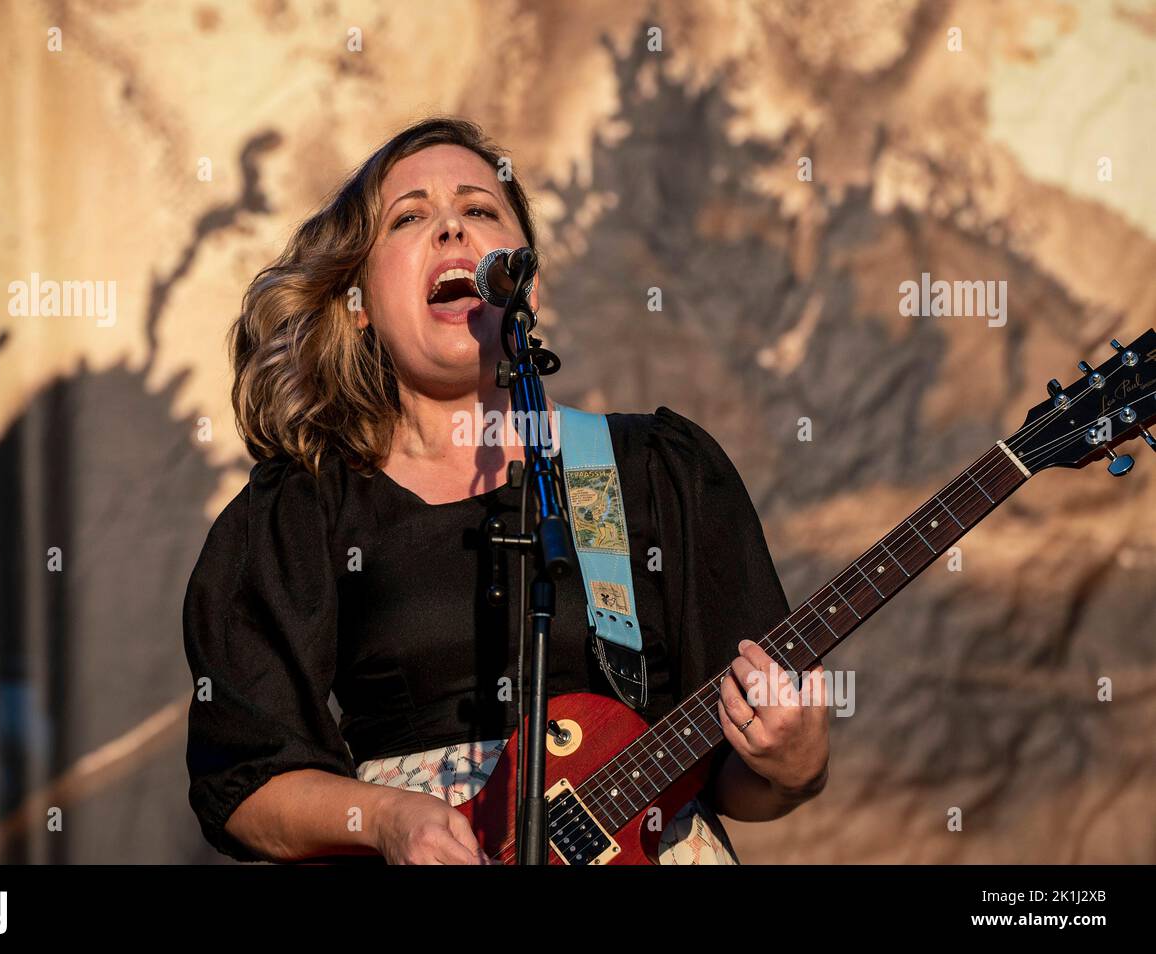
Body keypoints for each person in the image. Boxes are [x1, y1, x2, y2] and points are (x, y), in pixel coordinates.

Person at [183, 116, 830, 865]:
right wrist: (390, 819)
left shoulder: (655, 469)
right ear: (357, 300)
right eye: (411, 217)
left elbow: (728, 779)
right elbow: (245, 785)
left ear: (524, 275)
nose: (454, 229)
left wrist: (791, 767)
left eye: (481, 210)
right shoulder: (302, 512)